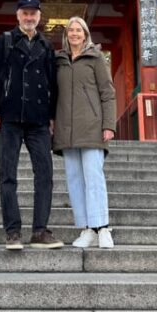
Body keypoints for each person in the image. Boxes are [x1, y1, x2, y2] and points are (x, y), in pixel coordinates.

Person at [0, 0, 63, 251]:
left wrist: (51, 115)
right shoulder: (4, 42)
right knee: (8, 175)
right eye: (25, 13)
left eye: (34, 14)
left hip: (38, 119)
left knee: (45, 174)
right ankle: (13, 231)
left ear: (39, 17)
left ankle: (40, 230)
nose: (29, 18)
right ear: (18, 15)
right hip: (9, 118)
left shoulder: (46, 45)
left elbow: (52, 84)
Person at [52, 16, 116, 249]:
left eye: (79, 30)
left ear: (86, 34)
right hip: (66, 129)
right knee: (75, 179)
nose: (75, 34)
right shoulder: (59, 60)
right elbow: (54, 94)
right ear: (66, 34)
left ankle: (103, 227)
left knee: (94, 177)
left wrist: (108, 124)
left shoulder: (95, 58)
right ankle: (87, 228)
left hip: (91, 125)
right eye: (71, 30)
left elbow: (108, 92)